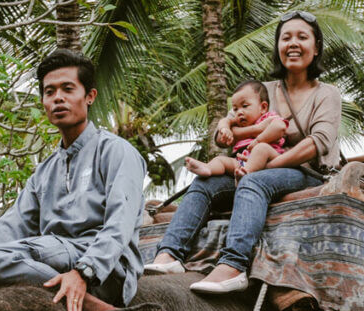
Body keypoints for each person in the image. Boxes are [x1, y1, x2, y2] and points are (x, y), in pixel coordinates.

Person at [0, 50, 147, 311]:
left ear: (89, 97)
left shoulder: (116, 152)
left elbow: (119, 225)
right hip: (54, 262)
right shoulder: (45, 171)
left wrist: (84, 272)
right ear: (43, 101)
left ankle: (91, 305)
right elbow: (10, 227)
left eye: (67, 89)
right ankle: (66, 292)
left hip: (106, 269)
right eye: (49, 92)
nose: (58, 98)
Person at [145, 11, 342, 294]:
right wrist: (225, 124)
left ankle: (233, 265)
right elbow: (230, 128)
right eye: (286, 38)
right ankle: (170, 254)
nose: (293, 43)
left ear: (317, 46)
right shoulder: (264, 91)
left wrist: (268, 164)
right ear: (278, 47)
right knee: (206, 182)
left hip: (306, 172)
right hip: (258, 167)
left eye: (302, 37)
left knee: (252, 180)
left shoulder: (327, 94)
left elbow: (317, 142)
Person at [184, 80, 288, 179]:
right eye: (235, 109)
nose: (239, 112)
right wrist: (225, 129)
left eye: (245, 106)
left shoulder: (268, 118)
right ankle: (207, 168)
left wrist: (258, 140)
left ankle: (245, 174)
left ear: (263, 107)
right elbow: (225, 121)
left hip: (269, 158)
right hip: (241, 161)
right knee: (220, 160)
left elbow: (280, 127)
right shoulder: (239, 122)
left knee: (261, 148)